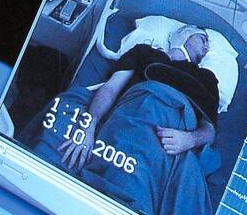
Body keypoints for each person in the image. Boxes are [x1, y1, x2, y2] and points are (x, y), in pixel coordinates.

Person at [59, 25, 218, 170]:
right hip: (129, 117)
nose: (207, 47)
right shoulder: (144, 52)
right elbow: (111, 88)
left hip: (168, 139)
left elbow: (209, 130)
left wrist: (189, 140)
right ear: (185, 34)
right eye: (203, 39)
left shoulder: (207, 78)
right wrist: (88, 126)